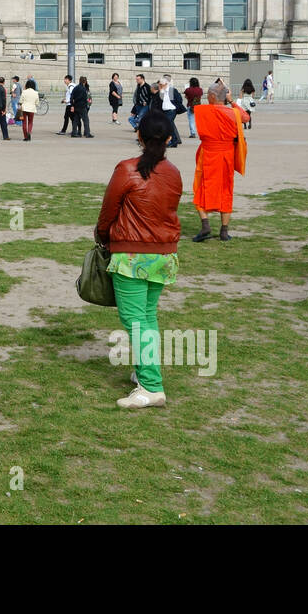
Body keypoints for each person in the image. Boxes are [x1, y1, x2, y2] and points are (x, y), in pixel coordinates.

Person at [94, 111, 183, 409]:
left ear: (139, 136)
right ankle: (145, 372)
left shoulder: (126, 169)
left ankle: (152, 386)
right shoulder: (173, 172)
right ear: (169, 138)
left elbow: (108, 210)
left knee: (134, 320)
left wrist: (103, 237)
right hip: (163, 255)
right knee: (146, 317)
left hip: (132, 255)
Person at [191, 83, 247, 242]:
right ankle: (224, 231)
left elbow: (192, 104)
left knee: (200, 188)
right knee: (226, 189)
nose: (206, 98)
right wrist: (231, 101)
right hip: (226, 156)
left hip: (208, 154)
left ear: (213, 97)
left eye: (208, 95)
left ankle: (205, 225)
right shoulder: (234, 113)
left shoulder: (202, 110)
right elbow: (246, 117)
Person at [158, 77, 182, 148]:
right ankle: (173, 141)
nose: (160, 86)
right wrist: (161, 90)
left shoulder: (172, 90)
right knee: (169, 126)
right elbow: (161, 100)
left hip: (171, 110)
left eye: (161, 84)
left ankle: (173, 141)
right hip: (165, 111)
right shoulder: (162, 91)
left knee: (168, 125)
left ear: (165, 84)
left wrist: (176, 107)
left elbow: (179, 99)